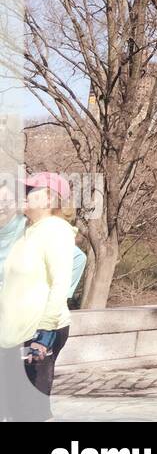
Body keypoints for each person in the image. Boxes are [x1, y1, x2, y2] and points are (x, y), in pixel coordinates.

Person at [0, 173, 79, 420]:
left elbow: (60, 284)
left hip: (38, 331)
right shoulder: (29, 230)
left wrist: (44, 334)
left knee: (31, 412)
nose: (24, 195)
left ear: (49, 200)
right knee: (11, 407)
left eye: (31, 190)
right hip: (14, 332)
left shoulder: (56, 231)